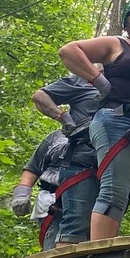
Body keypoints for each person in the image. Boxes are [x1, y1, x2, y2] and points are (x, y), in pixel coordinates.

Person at [60, 0, 130, 240]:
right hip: (115, 121)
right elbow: (69, 51)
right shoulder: (119, 44)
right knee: (115, 191)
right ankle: (100, 257)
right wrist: (99, 81)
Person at [30, 72, 105, 246]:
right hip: (59, 197)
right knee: (69, 231)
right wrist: (23, 191)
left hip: (103, 181)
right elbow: (33, 167)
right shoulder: (56, 139)